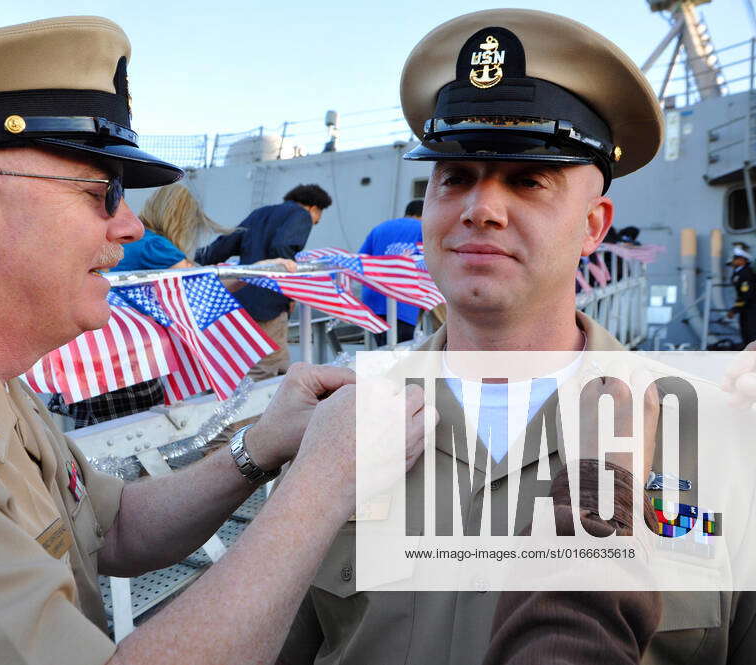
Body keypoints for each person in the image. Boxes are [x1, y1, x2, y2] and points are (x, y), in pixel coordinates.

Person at [0, 17, 428, 665]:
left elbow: (113, 525)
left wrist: (267, 443)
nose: (132, 226)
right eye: (102, 192)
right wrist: (324, 482)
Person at [278, 9, 755, 665]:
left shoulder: (719, 436)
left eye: (528, 179)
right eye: (455, 176)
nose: (482, 208)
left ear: (594, 225)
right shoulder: (340, 429)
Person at [49, 184, 229, 428]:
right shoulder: (155, 246)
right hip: (126, 361)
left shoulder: (124, 244)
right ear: (182, 220)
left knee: (93, 440)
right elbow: (202, 288)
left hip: (86, 358)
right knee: (134, 437)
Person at [195, 183, 332, 380]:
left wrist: (189, 263)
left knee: (264, 362)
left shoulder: (260, 213)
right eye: (319, 216)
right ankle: (251, 409)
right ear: (313, 207)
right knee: (266, 367)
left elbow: (223, 246)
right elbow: (283, 246)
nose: (316, 221)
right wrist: (291, 291)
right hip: (269, 305)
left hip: (240, 300)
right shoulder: (301, 215)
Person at [358, 199, 425, 345]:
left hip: (373, 300)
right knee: (403, 354)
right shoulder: (424, 228)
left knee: (383, 353)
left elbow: (360, 262)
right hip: (405, 302)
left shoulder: (380, 228)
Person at [727, 244, 756, 347]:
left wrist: (734, 309)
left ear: (742, 260)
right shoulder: (739, 272)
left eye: (735, 259)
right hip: (745, 308)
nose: (733, 262)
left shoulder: (745, 273)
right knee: (746, 332)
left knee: (751, 333)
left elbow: (746, 295)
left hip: (751, 307)